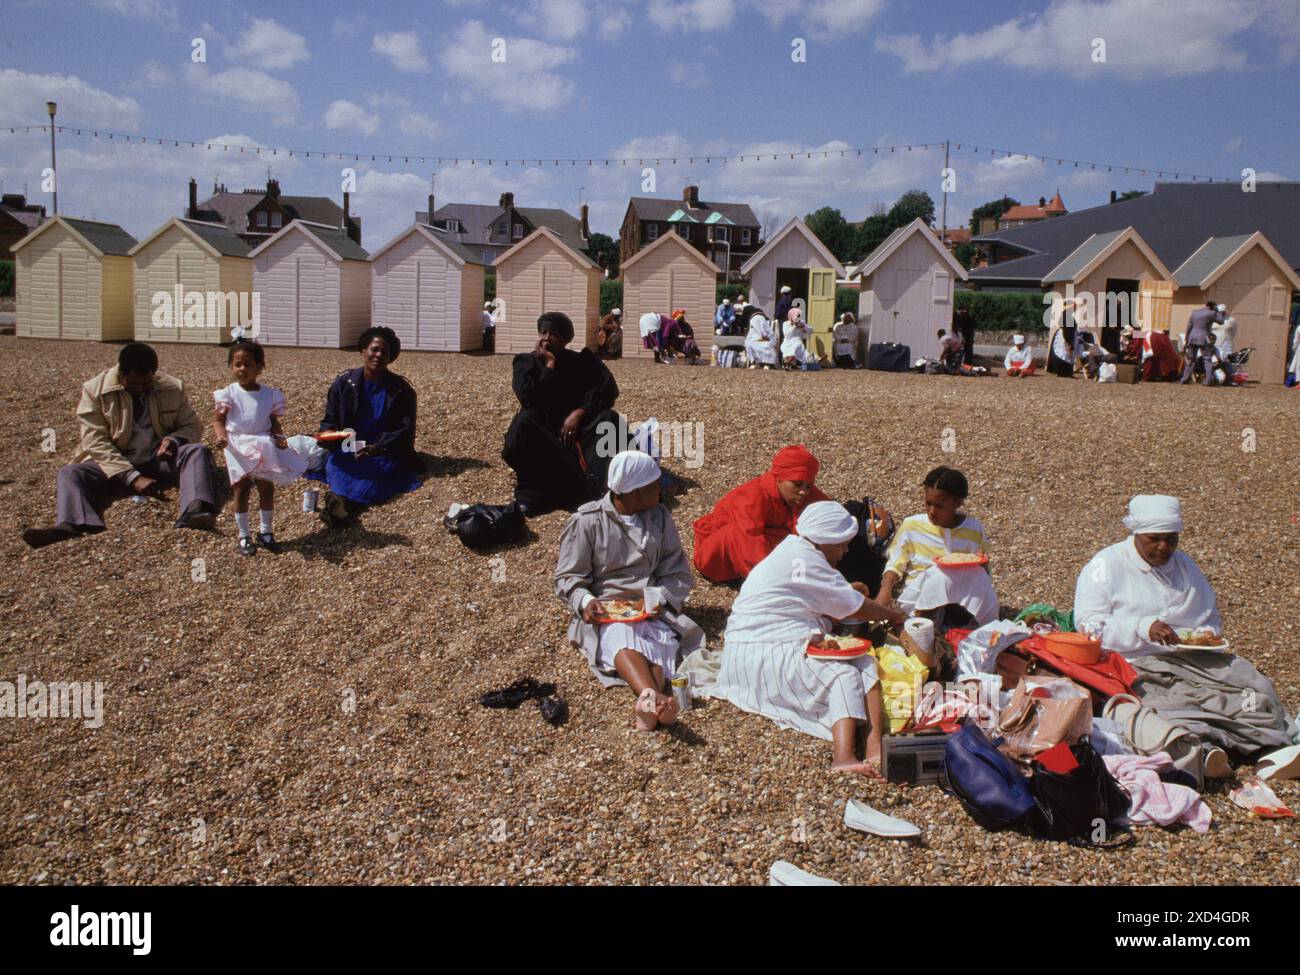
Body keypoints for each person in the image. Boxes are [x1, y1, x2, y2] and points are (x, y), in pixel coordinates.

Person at [1073, 495, 1298, 768]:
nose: (1163, 547)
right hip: (1134, 661)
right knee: (1173, 702)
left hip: (1191, 656)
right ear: (1136, 533)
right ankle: (1205, 750)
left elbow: (1208, 615)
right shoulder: (1106, 565)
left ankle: (1276, 739)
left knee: (1248, 680)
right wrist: (1142, 628)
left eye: (1171, 538)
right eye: (1154, 539)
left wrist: (1200, 636)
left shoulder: (1184, 565)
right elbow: (1088, 624)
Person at [715, 501, 907, 776]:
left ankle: (873, 744)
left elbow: (818, 594)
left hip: (778, 637)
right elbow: (855, 607)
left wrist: (848, 593)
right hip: (761, 648)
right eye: (842, 543)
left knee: (866, 664)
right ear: (826, 541)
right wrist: (892, 614)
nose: (846, 550)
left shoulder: (799, 553)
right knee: (842, 675)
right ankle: (843, 757)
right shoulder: (804, 560)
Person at [555, 451, 705, 732]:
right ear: (634, 492)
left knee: (663, 642)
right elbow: (567, 576)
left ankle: (648, 701)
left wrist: (661, 597)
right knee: (621, 635)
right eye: (653, 487)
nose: (660, 492)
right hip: (607, 608)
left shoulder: (659, 517)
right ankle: (655, 697)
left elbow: (677, 571)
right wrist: (586, 602)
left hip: (651, 605)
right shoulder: (587, 521)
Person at [21, 342, 217, 549]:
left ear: (154, 374)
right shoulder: (94, 390)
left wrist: (174, 439)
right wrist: (132, 477)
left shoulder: (172, 387)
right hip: (115, 464)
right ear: (121, 374)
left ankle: (194, 511)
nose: (140, 389)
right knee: (70, 473)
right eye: (133, 384)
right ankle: (75, 524)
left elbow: (192, 425)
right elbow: (95, 441)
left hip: (157, 460)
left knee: (197, 451)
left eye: (146, 384)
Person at [503, 311, 622, 517]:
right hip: (544, 431)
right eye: (544, 333)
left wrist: (580, 412)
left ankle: (614, 487)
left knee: (609, 420)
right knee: (523, 422)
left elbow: (608, 389)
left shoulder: (580, 361)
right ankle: (533, 494)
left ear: (565, 339)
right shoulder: (526, 363)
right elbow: (530, 400)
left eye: (554, 334)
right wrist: (549, 366)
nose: (547, 338)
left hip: (578, 432)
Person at [313, 327, 421, 528]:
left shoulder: (401, 390)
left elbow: (404, 432)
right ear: (363, 350)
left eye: (384, 352)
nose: (378, 355)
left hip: (383, 452)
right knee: (338, 466)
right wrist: (328, 433)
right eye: (374, 349)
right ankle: (340, 507)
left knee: (375, 476)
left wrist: (376, 448)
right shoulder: (344, 383)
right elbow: (330, 419)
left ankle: (341, 506)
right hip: (348, 448)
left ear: (390, 358)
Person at [211, 340, 306, 555]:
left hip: (263, 442)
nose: (242, 369)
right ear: (231, 367)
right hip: (237, 444)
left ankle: (266, 531)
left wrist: (279, 436)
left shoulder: (268, 394)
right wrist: (221, 437)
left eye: (247, 364)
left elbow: (272, 420)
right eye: (237, 364)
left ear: (259, 367)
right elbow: (218, 420)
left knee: (266, 487)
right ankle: (244, 534)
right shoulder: (229, 393)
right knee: (242, 488)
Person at [878, 466, 997, 627]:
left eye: (939, 506)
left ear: (958, 503)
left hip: (960, 600)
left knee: (978, 575)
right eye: (928, 504)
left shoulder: (973, 529)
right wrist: (885, 591)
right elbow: (895, 564)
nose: (931, 511)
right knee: (938, 573)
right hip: (920, 599)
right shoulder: (912, 526)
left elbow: (982, 568)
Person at [693, 444, 830, 583]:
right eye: (797, 485)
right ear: (780, 478)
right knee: (735, 534)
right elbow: (751, 541)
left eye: (808, 486)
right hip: (718, 554)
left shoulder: (799, 493)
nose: (803, 492)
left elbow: (829, 512)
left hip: (763, 544)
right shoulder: (752, 497)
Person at [1180, 301, 1222, 385]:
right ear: (1213, 306)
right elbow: (1221, 321)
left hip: (1192, 337)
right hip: (1203, 338)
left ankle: (1185, 379)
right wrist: (1218, 311)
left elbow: (1189, 326)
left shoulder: (1195, 312)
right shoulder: (1212, 313)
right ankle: (1208, 380)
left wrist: (1187, 338)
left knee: (1191, 359)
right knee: (1207, 358)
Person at [1047, 299, 1078, 378]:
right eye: (1074, 307)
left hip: (1066, 334)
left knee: (1066, 354)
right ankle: (1063, 372)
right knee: (1064, 353)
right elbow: (1067, 330)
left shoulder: (1067, 316)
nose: (1075, 309)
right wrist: (1069, 342)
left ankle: (1065, 372)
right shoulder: (1066, 317)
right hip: (1064, 336)